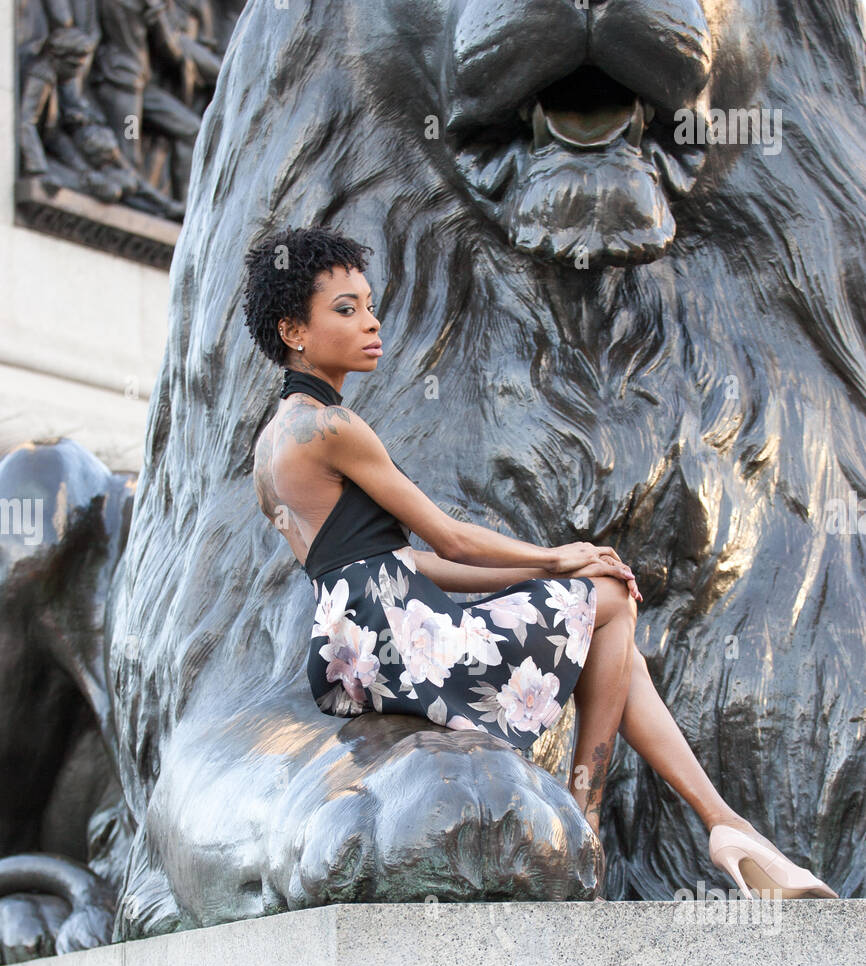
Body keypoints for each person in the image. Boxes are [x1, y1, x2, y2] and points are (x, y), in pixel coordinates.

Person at [243, 223, 837, 901]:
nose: (372, 323)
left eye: (370, 304)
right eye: (345, 310)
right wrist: (560, 553)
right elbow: (450, 541)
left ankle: (726, 827)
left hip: (360, 644)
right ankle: (588, 814)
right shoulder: (332, 428)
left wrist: (549, 576)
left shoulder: (274, 444)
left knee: (606, 630)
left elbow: (400, 565)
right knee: (612, 599)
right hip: (399, 640)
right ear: (295, 331)